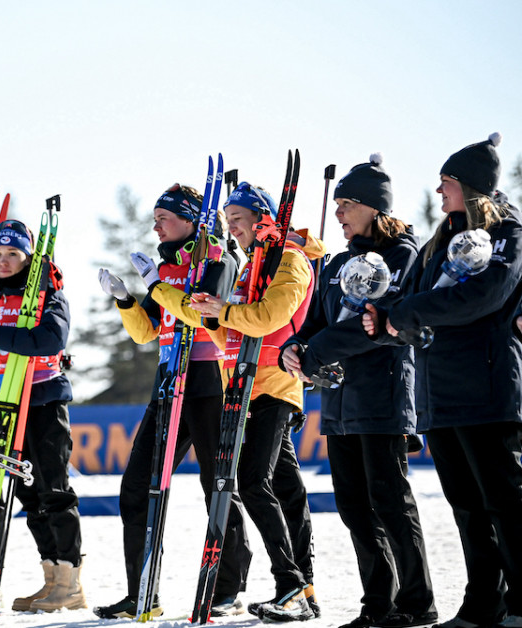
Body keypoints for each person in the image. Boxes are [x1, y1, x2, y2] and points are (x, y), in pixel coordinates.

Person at [363, 133, 522, 628]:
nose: (438, 192)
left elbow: (484, 297)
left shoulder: (507, 234)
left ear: (470, 186)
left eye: (446, 182)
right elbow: (411, 300)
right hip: (440, 394)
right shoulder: (440, 241)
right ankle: (483, 603)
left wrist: (404, 312)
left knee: (505, 503)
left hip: (488, 390)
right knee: (468, 508)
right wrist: (382, 318)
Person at [281, 154, 436, 628]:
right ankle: (379, 603)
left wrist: (314, 351)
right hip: (339, 400)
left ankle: (417, 603)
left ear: (373, 207)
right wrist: (295, 345)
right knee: (352, 504)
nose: (340, 213)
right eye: (339, 203)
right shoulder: (337, 261)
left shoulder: (401, 253)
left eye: (348, 204)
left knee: (389, 498)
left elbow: (376, 325)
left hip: (382, 393)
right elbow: (315, 321)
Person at [93, 183, 251, 619]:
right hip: (169, 377)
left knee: (215, 485)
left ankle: (229, 585)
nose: (156, 226)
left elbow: (201, 312)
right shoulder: (167, 266)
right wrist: (127, 299)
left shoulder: (218, 258)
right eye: (155, 219)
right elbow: (147, 331)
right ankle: (142, 590)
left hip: (208, 379)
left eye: (163, 217)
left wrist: (157, 286)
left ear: (189, 219)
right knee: (136, 486)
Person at [188, 181, 324, 622]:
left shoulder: (290, 259)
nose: (233, 228)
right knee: (285, 488)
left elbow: (269, 318)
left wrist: (223, 312)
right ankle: (302, 586)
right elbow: (233, 332)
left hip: (276, 386)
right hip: (246, 387)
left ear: (263, 218)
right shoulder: (250, 267)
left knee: (252, 482)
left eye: (239, 218)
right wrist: (210, 314)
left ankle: (290, 585)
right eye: (228, 220)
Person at [0, 218, 83, 612]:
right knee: (28, 492)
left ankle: (71, 582)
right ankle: (52, 576)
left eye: (12, 254)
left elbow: (50, 339)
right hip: (8, 400)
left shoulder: (49, 292)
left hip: (44, 401)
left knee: (54, 489)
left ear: (28, 257)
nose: (3, 262)